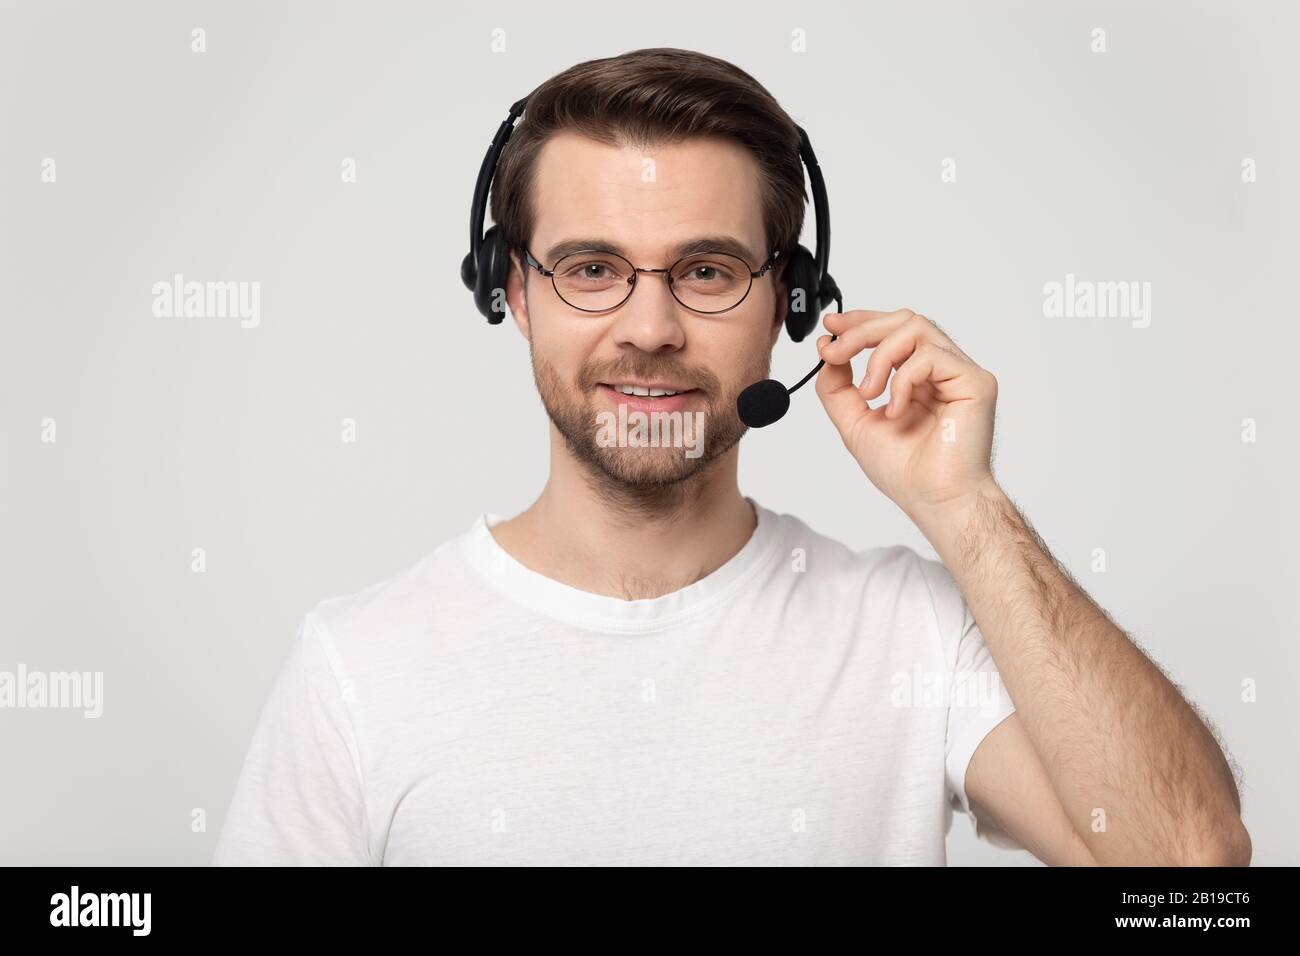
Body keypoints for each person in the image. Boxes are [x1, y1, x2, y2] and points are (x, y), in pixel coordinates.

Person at [212, 47, 1249, 866]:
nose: (651, 327)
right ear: (512, 293)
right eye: (591, 269)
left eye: (706, 270)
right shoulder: (356, 662)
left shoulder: (910, 631)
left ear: (791, 304)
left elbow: (1190, 865)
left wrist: (964, 505)